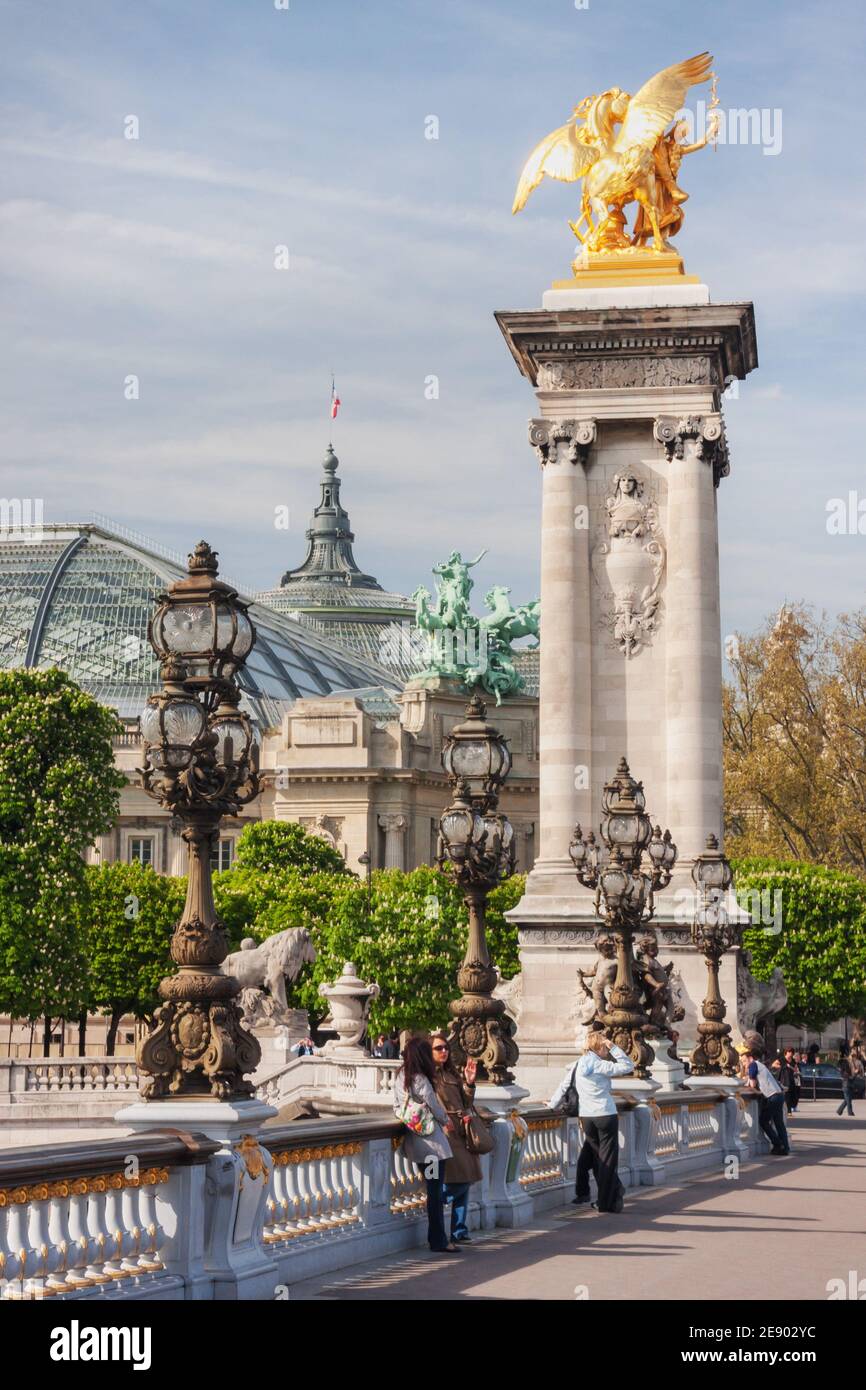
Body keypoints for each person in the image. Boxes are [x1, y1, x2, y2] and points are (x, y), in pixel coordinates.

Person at [548, 1029, 634, 1212]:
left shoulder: (577, 1065)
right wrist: (614, 1047)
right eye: (604, 1047)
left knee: (598, 1159)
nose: (606, 1050)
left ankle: (608, 1196)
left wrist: (552, 1105)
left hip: (586, 1118)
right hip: (605, 1115)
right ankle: (607, 1201)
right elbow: (628, 1065)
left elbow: (563, 1086)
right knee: (608, 1160)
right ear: (599, 1048)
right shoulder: (601, 1065)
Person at [393, 1035, 459, 1254]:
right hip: (431, 1147)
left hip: (416, 1142)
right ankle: (439, 1239)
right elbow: (434, 1106)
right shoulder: (420, 1078)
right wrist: (446, 1120)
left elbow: (396, 1106)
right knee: (435, 1191)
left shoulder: (401, 1076)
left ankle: (437, 1238)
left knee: (434, 1190)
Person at [430, 1032, 481, 1244]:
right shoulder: (429, 1077)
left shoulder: (452, 1074)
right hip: (445, 1131)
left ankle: (459, 1229)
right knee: (459, 1178)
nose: (444, 1051)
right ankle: (440, 1202)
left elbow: (466, 1101)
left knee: (466, 1176)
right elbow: (430, 1102)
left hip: (462, 1129)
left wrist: (469, 1083)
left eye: (445, 1048)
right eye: (439, 1048)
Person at [745, 1048, 789, 1154]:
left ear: (750, 1058)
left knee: (763, 1121)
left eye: (743, 1060)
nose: (743, 1063)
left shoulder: (753, 1065)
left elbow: (753, 1085)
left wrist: (746, 1078)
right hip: (779, 1095)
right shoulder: (760, 1065)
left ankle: (778, 1144)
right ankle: (785, 1147)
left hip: (772, 1096)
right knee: (779, 1123)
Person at [778, 1047, 801, 1115]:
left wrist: (790, 1067)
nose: (791, 1054)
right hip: (784, 1080)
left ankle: (789, 1109)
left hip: (791, 1080)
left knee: (792, 1095)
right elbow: (774, 1064)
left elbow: (796, 1070)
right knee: (786, 1096)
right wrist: (781, 1067)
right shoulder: (782, 1059)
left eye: (792, 1052)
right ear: (786, 1053)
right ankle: (788, 1111)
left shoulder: (793, 1061)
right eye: (789, 1052)